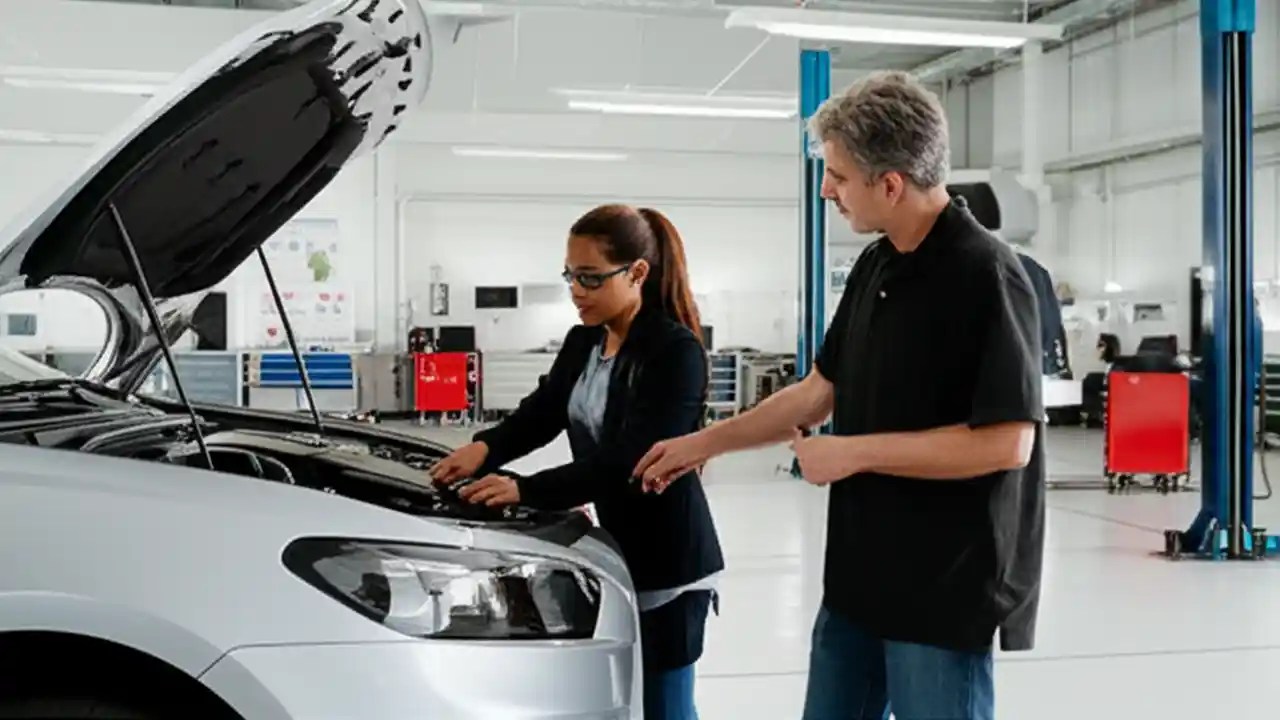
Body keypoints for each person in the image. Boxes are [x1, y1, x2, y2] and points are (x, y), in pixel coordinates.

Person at [634, 71, 1044, 720]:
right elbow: (816, 393)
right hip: (858, 578)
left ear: (891, 183)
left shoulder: (985, 273)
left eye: (839, 176)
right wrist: (699, 443)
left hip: (942, 588)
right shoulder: (876, 264)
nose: (827, 190)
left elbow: (1007, 441)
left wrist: (853, 455)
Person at [430, 204, 724, 720]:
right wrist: (485, 449)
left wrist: (527, 490)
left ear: (637, 273)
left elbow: (632, 458)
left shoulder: (674, 351)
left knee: (666, 704)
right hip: (617, 551)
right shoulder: (584, 339)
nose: (576, 291)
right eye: (570, 275)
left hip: (669, 557)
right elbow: (544, 411)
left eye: (590, 278)